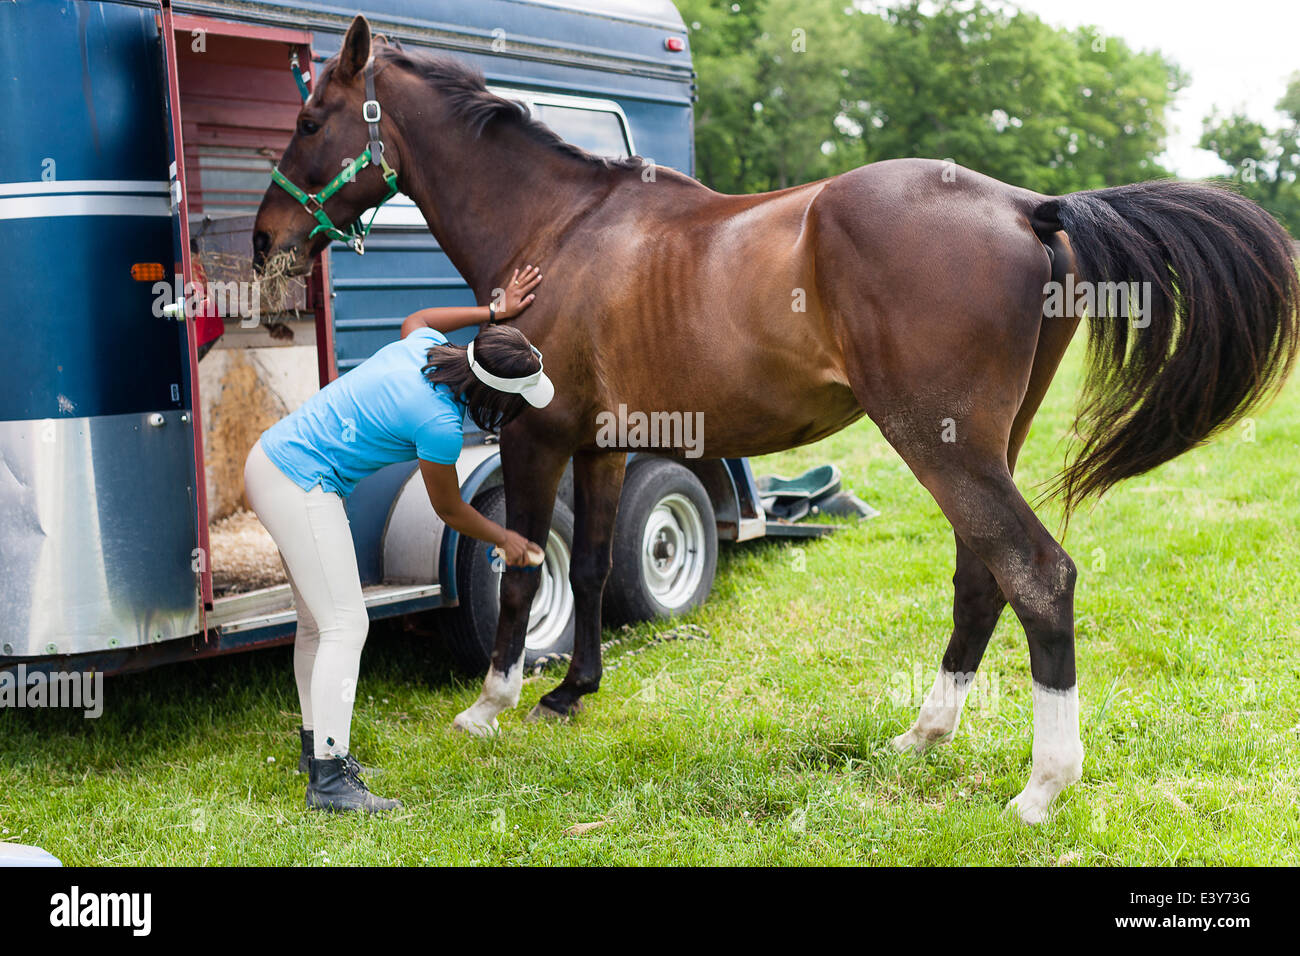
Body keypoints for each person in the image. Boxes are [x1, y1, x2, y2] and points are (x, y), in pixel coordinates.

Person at [243, 265, 551, 813]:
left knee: (320, 622)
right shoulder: (439, 425)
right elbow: (449, 508)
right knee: (346, 624)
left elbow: (419, 318)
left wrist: (494, 313)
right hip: (299, 480)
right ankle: (331, 785)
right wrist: (506, 537)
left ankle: (321, 754)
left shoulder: (427, 349)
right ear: (497, 399)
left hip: (272, 461)